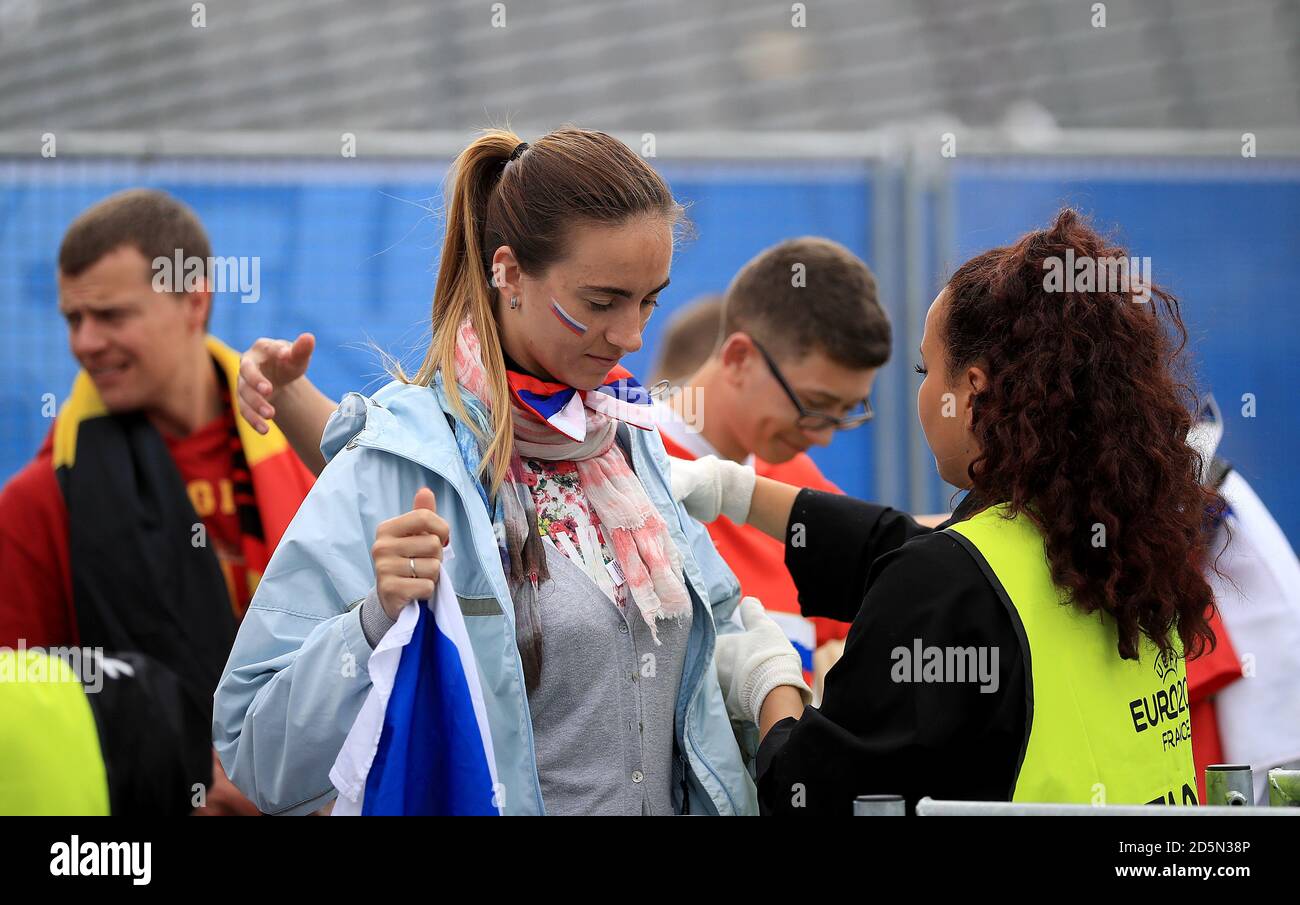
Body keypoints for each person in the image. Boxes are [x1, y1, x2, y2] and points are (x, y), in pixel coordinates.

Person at [212, 127, 810, 816]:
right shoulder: (395, 462)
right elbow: (257, 754)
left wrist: (777, 698)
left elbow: (719, 628)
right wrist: (373, 621)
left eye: (649, 299)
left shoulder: (625, 438)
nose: (632, 336)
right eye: (601, 301)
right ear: (510, 275)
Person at [672, 209, 1222, 812]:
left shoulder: (951, 583)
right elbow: (915, 550)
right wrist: (739, 492)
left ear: (973, 390)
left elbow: (808, 794)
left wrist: (770, 683)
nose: (924, 391)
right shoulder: (1124, 545)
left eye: (925, 368)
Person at [237, 238, 896, 696]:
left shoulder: (795, 495)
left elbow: (882, 583)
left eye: (848, 415)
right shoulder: (612, 453)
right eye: (815, 406)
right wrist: (290, 396)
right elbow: (413, 471)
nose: (825, 434)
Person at [0, 188, 315, 814]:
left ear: (195, 300)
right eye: (73, 319)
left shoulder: (305, 452)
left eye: (111, 316)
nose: (85, 342)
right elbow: (21, 721)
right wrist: (174, 769)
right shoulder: (38, 504)